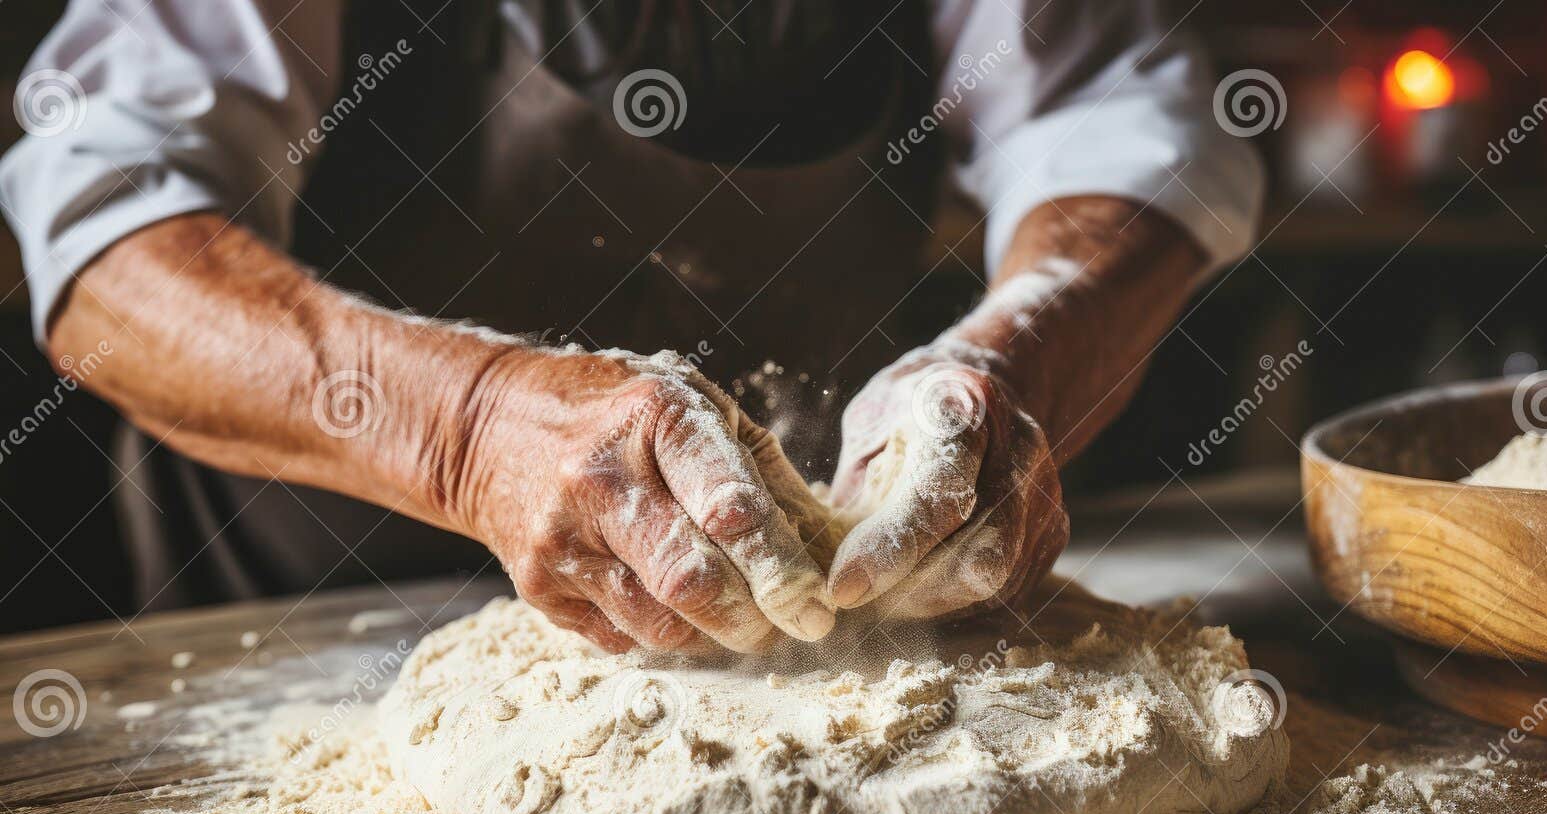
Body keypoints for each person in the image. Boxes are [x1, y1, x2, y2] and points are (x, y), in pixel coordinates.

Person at [1, 0, 1261, 653]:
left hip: (789, 616)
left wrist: (1009, 360)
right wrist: (468, 426)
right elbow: (107, 226)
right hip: (300, 613)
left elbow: (1116, 122)